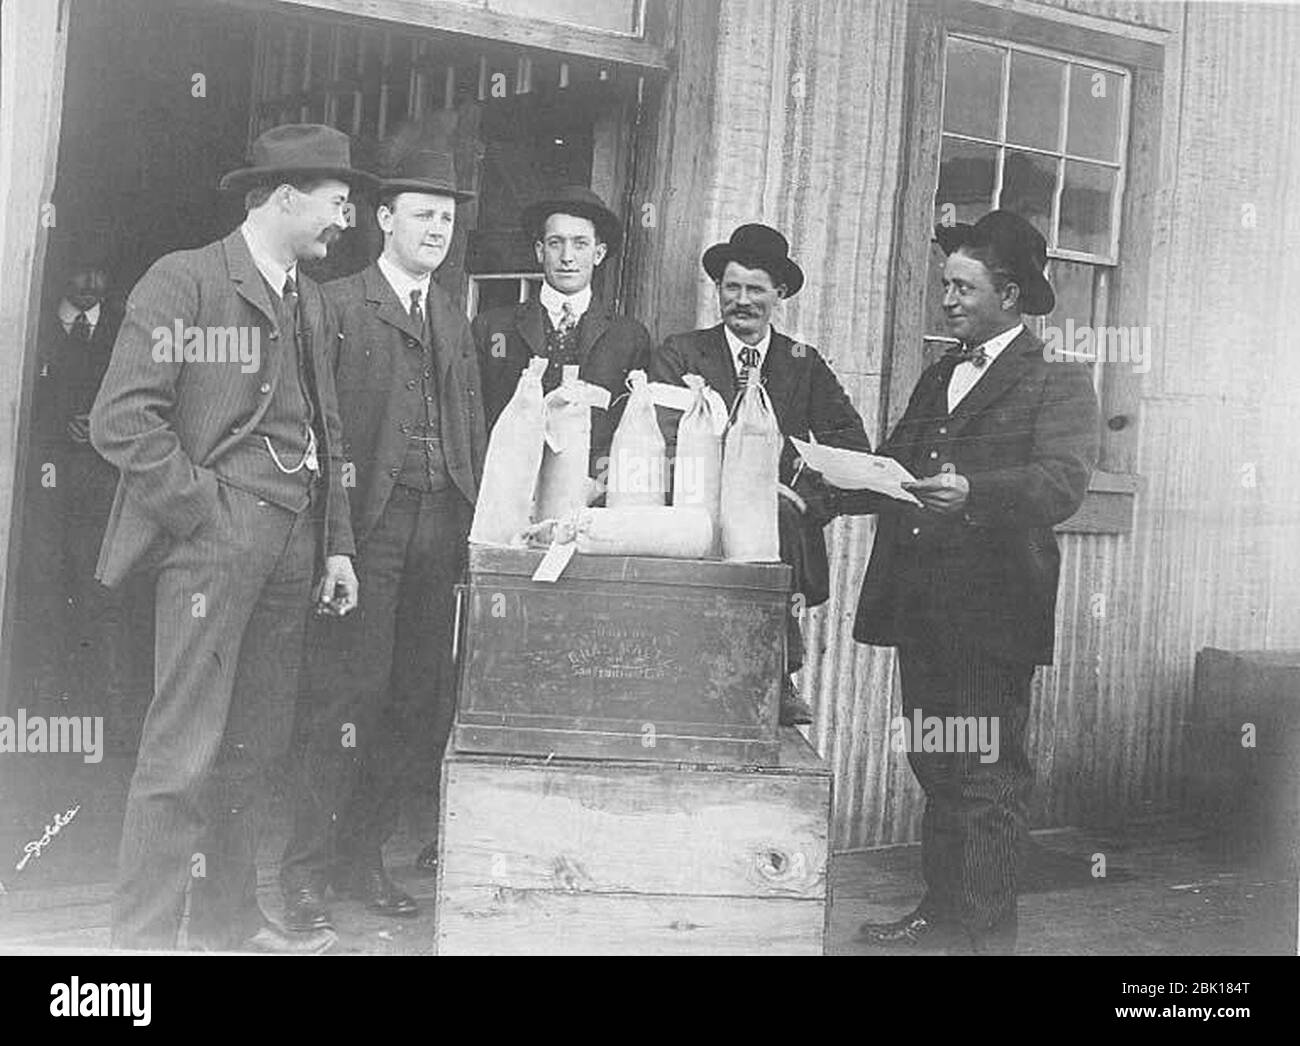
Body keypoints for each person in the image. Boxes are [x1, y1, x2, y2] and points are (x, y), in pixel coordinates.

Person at [89, 123, 370, 953]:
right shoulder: (184, 281)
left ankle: (227, 928)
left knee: (256, 751)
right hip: (214, 540)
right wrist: (203, 513)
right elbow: (121, 419)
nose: (345, 221)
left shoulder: (309, 300)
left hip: (295, 540)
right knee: (181, 754)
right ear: (285, 197)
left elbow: (329, 432)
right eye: (337, 203)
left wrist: (339, 545)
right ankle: (135, 952)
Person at [854, 210, 1098, 954]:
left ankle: (989, 939)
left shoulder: (1058, 377)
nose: (948, 299)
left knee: (988, 776)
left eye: (963, 286)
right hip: (923, 608)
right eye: (944, 286)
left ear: (1011, 295)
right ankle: (944, 909)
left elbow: (1062, 482)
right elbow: (894, 463)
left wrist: (975, 493)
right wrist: (826, 484)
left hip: (994, 615)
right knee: (937, 761)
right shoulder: (940, 373)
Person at [279, 146, 485, 928]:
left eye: (448, 220)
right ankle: (304, 871)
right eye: (424, 216)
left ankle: (361, 860)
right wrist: (335, 537)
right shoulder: (334, 303)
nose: (438, 230)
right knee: (344, 698)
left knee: (412, 703)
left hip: (441, 528)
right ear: (383, 220)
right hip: (366, 530)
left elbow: (468, 430)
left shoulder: (452, 315)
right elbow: (319, 432)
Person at [651, 223, 872, 726]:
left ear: (780, 294)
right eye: (732, 287)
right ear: (719, 291)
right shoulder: (682, 353)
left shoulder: (802, 363)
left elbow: (850, 446)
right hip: (696, 504)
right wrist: (729, 483)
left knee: (773, 511)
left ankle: (776, 672)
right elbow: (662, 437)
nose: (742, 300)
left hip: (777, 525)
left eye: (755, 289)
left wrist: (805, 496)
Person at [473, 185, 651, 495]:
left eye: (580, 244)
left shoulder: (629, 338)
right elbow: (474, 415)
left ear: (599, 253)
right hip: (505, 491)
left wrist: (600, 484)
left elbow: (633, 426)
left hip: (588, 497)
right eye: (556, 243)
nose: (567, 257)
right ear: (540, 251)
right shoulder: (493, 327)